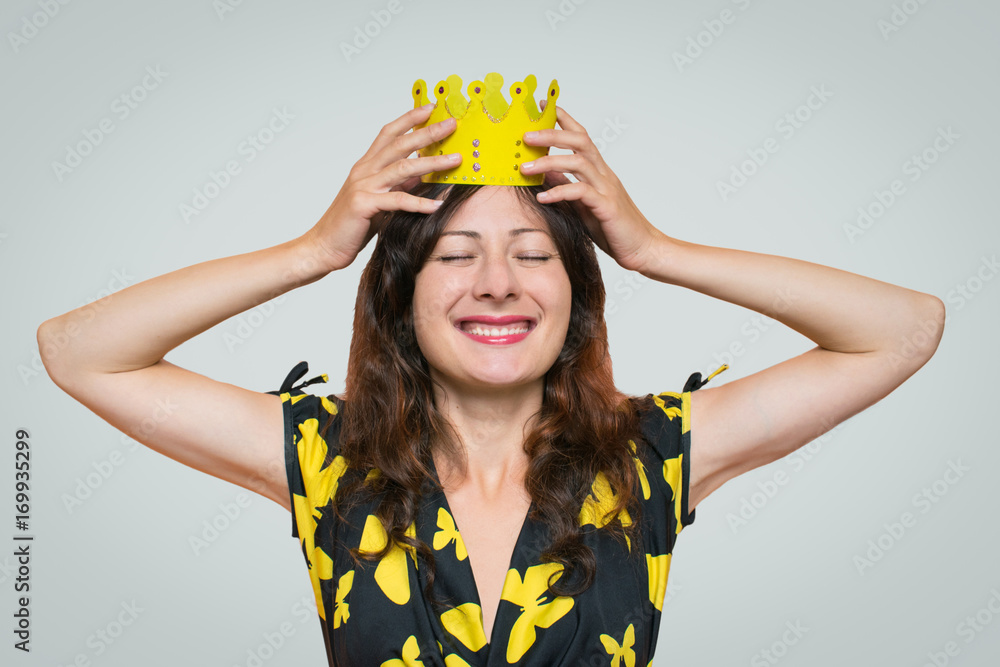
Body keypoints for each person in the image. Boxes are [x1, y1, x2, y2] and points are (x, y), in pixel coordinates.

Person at [37, 89, 945, 666]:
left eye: (533, 255)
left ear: (577, 293)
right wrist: (314, 250)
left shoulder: (652, 454)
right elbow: (78, 350)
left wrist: (655, 250)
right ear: (403, 297)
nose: (498, 283)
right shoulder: (326, 458)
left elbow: (904, 331)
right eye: (456, 254)